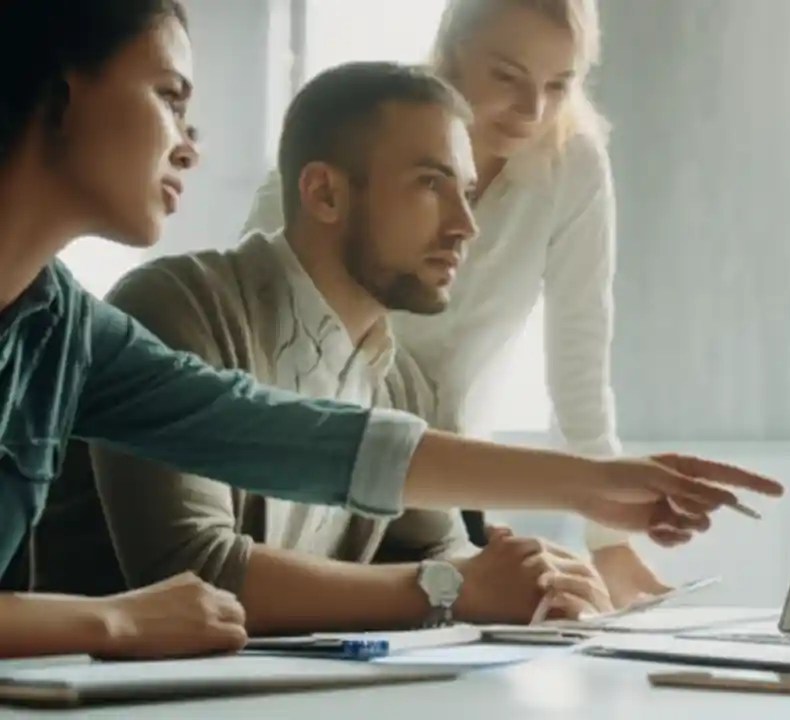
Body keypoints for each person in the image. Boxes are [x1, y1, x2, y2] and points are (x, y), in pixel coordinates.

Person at [0, 0, 782, 660]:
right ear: (65, 95)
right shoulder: (175, 304)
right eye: (170, 97)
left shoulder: (67, 330)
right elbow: (204, 555)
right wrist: (105, 620)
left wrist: (592, 490)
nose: (191, 143)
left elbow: (288, 438)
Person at [37, 62, 618, 633]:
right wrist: (457, 588)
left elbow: (444, 557)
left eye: (466, 192)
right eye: (430, 185)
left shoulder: (400, 379)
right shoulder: (177, 307)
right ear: (324, 193)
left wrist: (539, 579)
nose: (467, 224)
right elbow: (197, 571)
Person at [240, 0, 665, 607]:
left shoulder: (572, 165)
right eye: (507, 77)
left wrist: (610, 538)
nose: (534, 110)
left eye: (559, 84)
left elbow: (581, 353)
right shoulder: (362, 136)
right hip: (322, 458)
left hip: (445, 485)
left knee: (530, 611)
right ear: (449, 49)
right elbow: (256, 300)